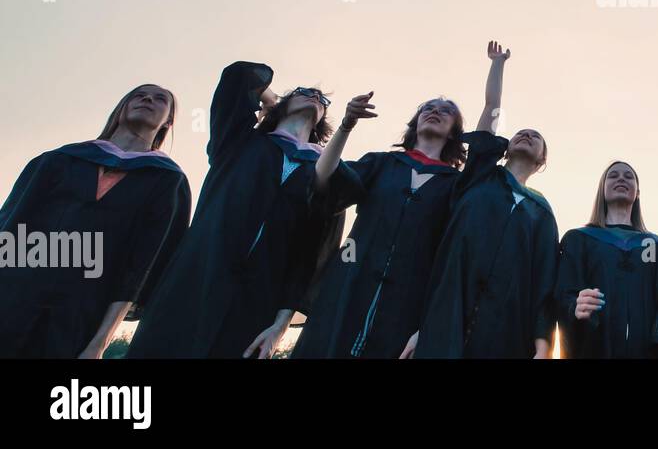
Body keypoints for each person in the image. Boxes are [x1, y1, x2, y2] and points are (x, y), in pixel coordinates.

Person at [293, 42, 509, 359]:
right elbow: (323, 176)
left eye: (446, 111)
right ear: (415, 123)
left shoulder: (456, 184)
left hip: (410, 300)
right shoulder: (382, 164)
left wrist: (498, 64)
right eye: (428, 109)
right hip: (350, 285)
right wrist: (346, 126)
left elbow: (490, 119)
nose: (435, 111)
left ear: (455, 132)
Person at [128, 61, 347, 358]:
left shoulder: (326, 172)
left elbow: (311, 255)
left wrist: (280, 325)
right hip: (194, 281)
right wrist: (274, 103)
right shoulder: (238, 141)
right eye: (303, 92)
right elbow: (238, 76)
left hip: (258, 300)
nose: (314, 97)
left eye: (322, 99)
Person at [0, 85, 191, 358]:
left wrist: (99, 343)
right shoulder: (58, 160)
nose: (148, 99)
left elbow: (140, 268)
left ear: (168, 122)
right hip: (12, 297)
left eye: (160, 99)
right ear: (121, 108)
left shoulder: (167, 182)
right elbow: (10, 226)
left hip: (79, 316)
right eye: (139, 95)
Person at [405, 48, 559, 359]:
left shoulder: (542, 213)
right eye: (520, 133)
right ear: (505, 147)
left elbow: (545, 280)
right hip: (447, 314)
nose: (526, 135)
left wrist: (543, 345)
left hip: (505, 328)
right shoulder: (480, 177)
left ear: (542, 160)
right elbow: (492, 109)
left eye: (535, 136)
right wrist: (498, 64)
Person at [556, 160, 658, 358]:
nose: (621, 178)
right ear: (602, 190)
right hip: (595, 349)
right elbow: (563, 293)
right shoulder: (579, 239)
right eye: (613, 175)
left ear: (637, 193)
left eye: (629, 177)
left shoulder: (655, 246)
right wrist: (574, 306)